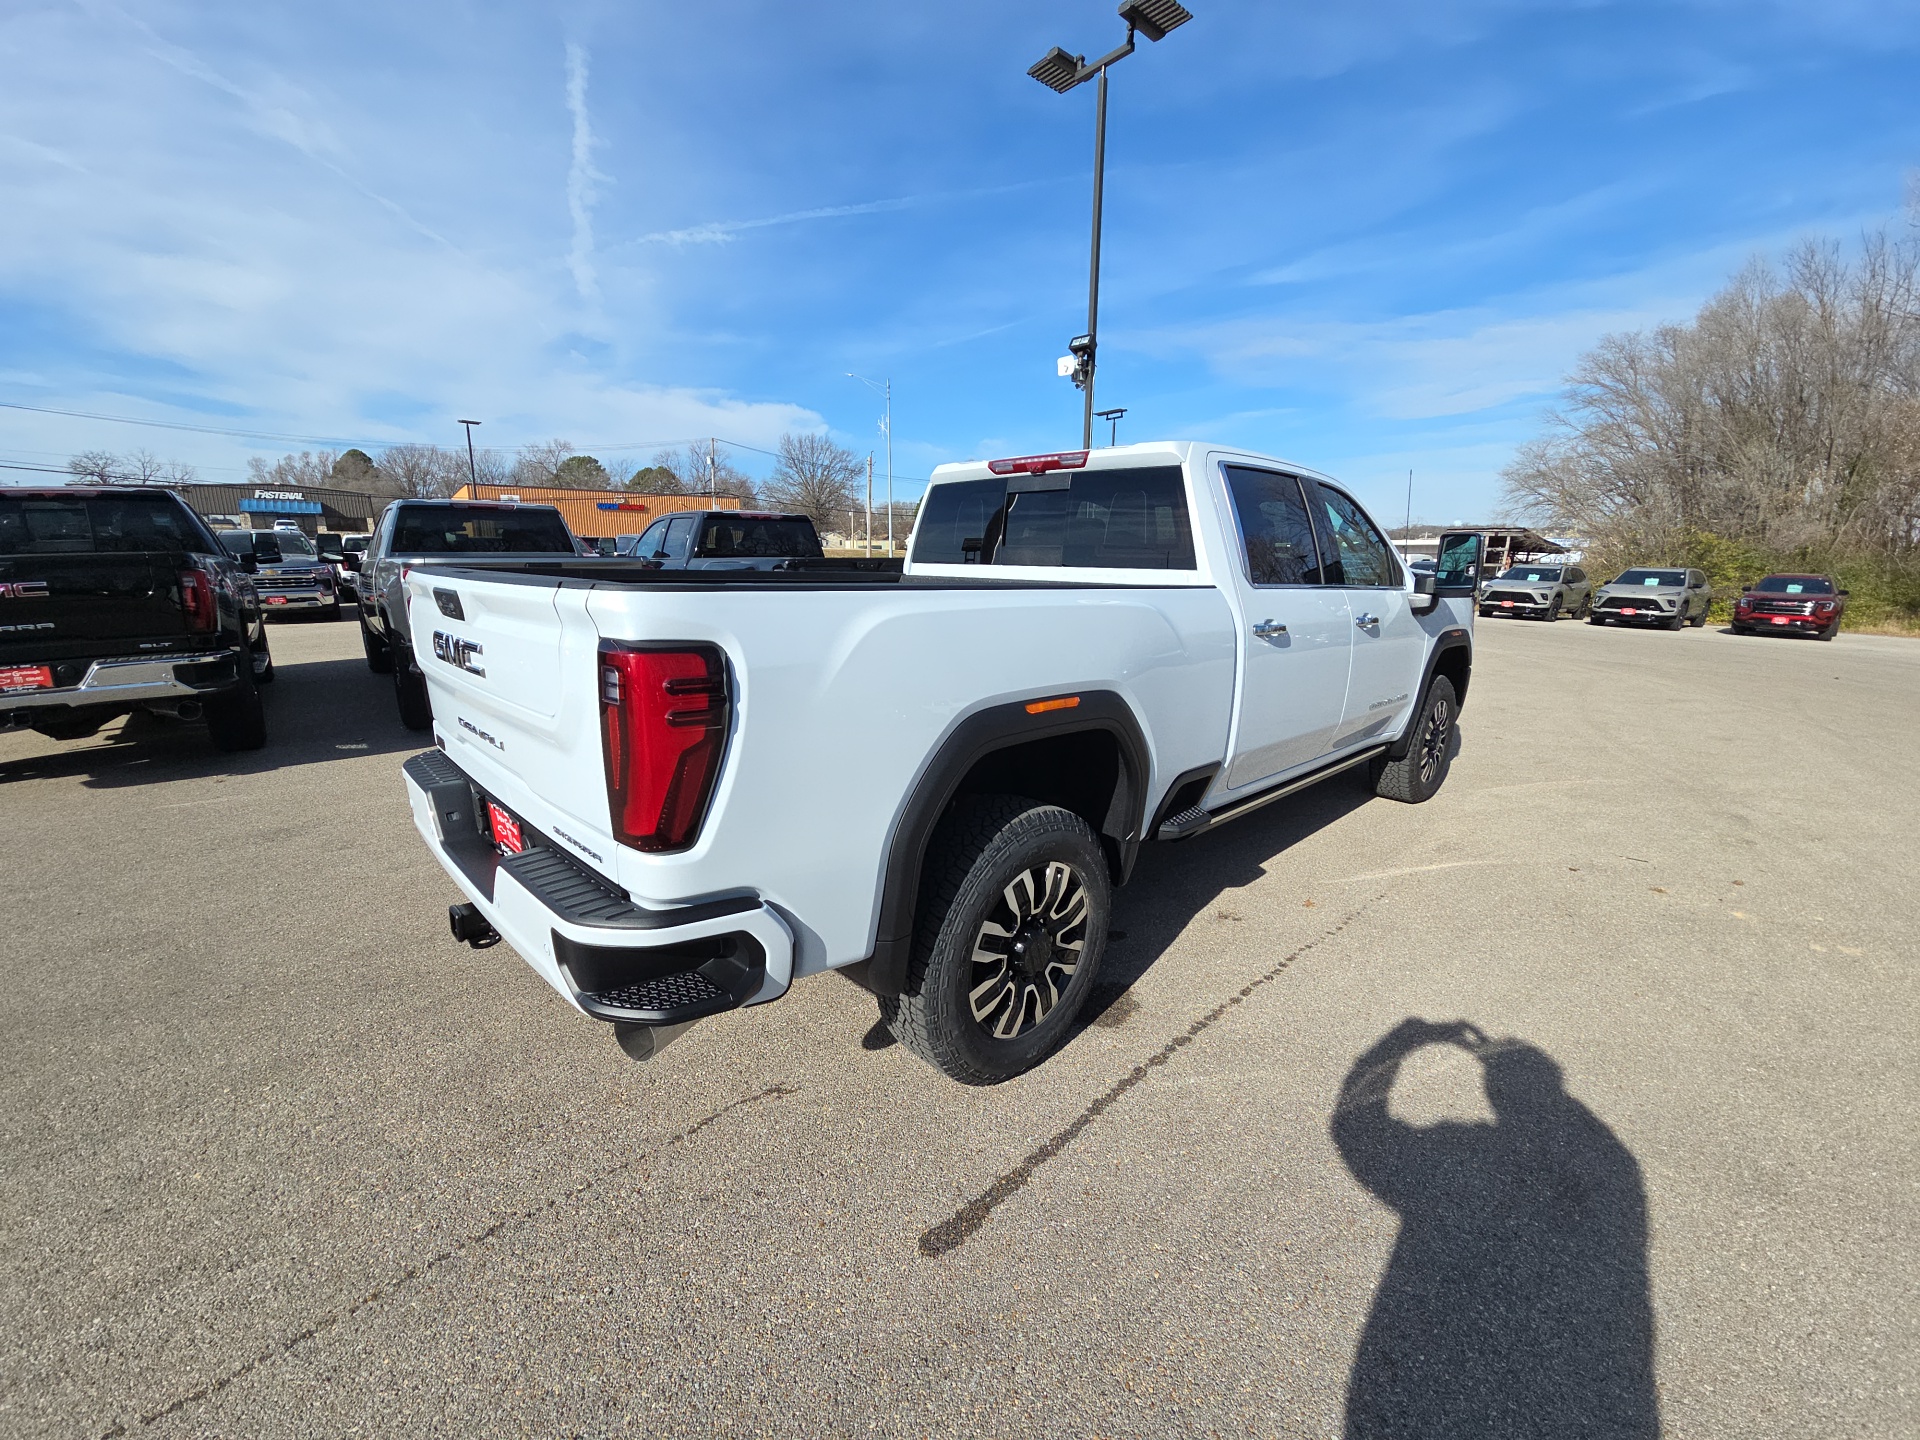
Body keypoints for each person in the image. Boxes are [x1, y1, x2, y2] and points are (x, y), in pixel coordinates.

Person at [1331, 1019, 1659, 1439]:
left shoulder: (1459, 1152)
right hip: (1597, 1400)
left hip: (1426, 1388)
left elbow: (1355, 1127)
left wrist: (1406, 1039)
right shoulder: (1612, 1161)